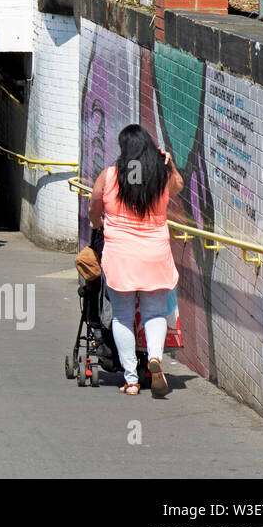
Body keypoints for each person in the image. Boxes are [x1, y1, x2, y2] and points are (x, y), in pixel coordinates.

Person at [87, 124, 183, 398]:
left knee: (122, 316)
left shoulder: (109, 177)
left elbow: (94, 209)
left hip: (121, 257)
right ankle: (155, 360)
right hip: (155, 255)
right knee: (155, 313)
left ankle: (131, 380)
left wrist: (97, 225)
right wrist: (170, 164)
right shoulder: (160, 177)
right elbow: (178, 187)